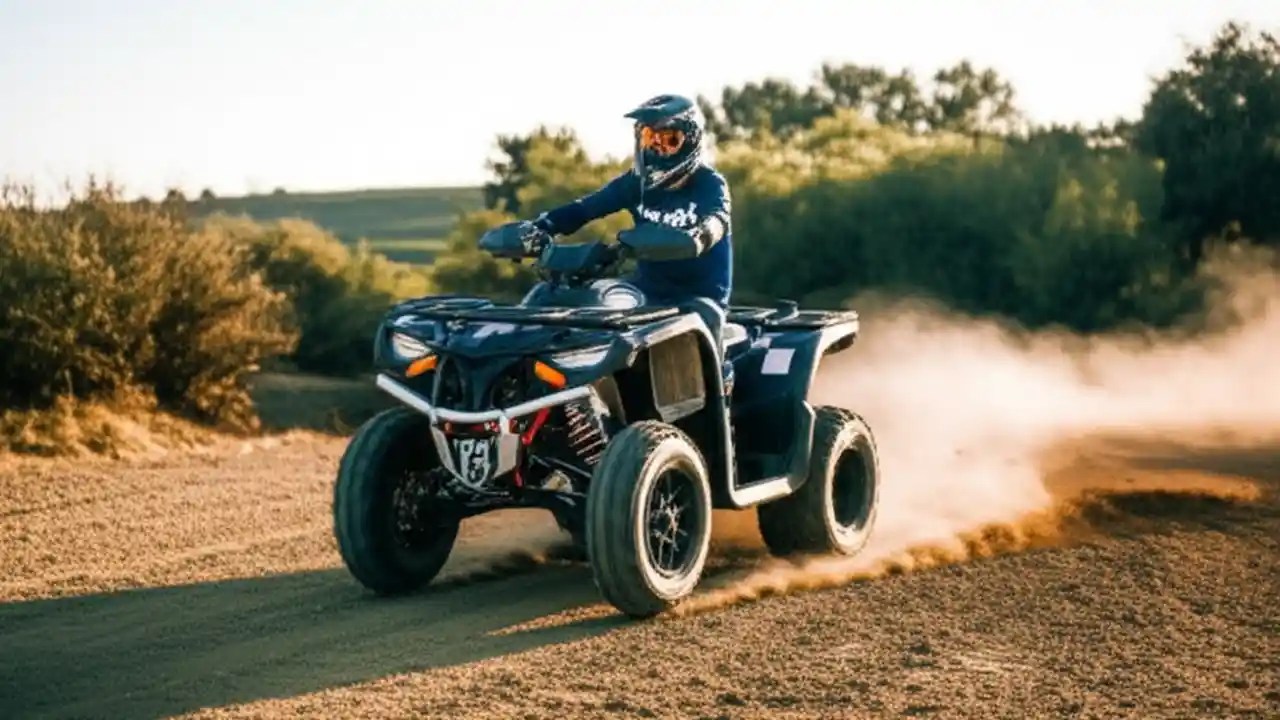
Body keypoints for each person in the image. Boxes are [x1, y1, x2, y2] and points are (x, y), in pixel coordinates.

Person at [517, 94, 734, 317]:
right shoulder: (635, 184)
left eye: (669, 141)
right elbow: (584, 209)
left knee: (703, 317)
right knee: (551, 295)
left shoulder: (710, 184)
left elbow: (716, 220)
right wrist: (540, 227)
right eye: (650, 139)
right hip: (646, 293)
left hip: (699, 300)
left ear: (691, 141)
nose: (657, 149)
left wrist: (699, 236)